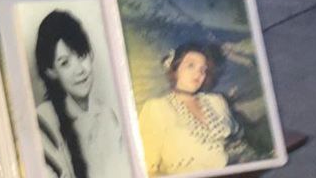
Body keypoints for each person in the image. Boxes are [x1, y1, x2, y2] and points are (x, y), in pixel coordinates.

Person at [34, 10, 133, 178]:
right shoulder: (43, 120)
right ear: (51, 71)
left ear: (90, 54)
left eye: (81, 55)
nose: (80, 70)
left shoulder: (107, 115)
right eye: (65, 63)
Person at [137, 42, 248, 176]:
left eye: (203, 69)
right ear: (174, 69)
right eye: (191, 65)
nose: (198, 73)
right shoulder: (157, 108)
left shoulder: (217, 101)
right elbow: (146, 169)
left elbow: (239, 139)